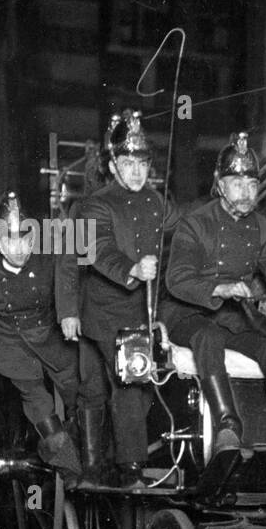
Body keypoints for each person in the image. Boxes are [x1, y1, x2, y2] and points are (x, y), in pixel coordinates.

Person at [161, 131, 266, 462]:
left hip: (234, 315)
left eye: (252, 185)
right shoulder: (195, 223)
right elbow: (177, 279)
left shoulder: (260, 225)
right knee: (208, 337)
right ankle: (228, 428)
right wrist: (220, 288)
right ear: (220, 184)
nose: (246, 192)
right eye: (238, 184)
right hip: (187, 314)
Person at [74, 109, 180, 487]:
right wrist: (132, 269)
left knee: (146, 390)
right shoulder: (96, 204)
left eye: (142, 162)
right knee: (130, 380)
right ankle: (129, 472)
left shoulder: (159, 202)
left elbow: (181, 242)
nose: (136, 171)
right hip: (104, 312)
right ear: (113, 165)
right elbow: (98, 249)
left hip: (146, 311)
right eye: (127, 162)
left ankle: (133, 455)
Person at [0, 191, 81, 477]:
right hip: (11, 346)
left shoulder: (47, 265)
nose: (19, 248)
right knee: (38, 400)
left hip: (51, 337)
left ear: (33, 240)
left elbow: (71, 287)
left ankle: (83, 440)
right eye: (10, 241)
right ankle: (66, 461)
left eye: (24, 240)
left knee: (78, 386)